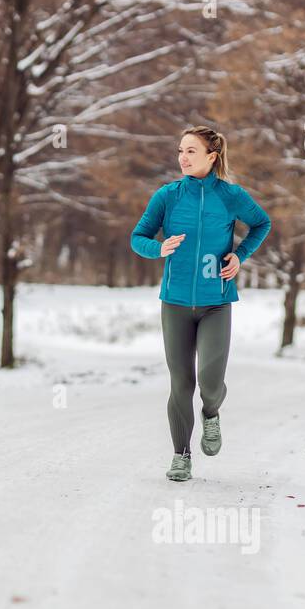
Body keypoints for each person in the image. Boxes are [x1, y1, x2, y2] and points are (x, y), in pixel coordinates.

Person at [130, 126, 272, 482]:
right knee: (181, 382)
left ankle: (212, 412)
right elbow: (138, 237)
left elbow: (261, 224)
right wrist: (157, 248)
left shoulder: (231, 196)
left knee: (210, 381)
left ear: (212, 157)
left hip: (215, 302)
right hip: (175, 302)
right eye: (180, 150)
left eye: (191, 151)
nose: (183, 157)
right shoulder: (167, 196)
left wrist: (240, 256)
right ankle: (181, 455)